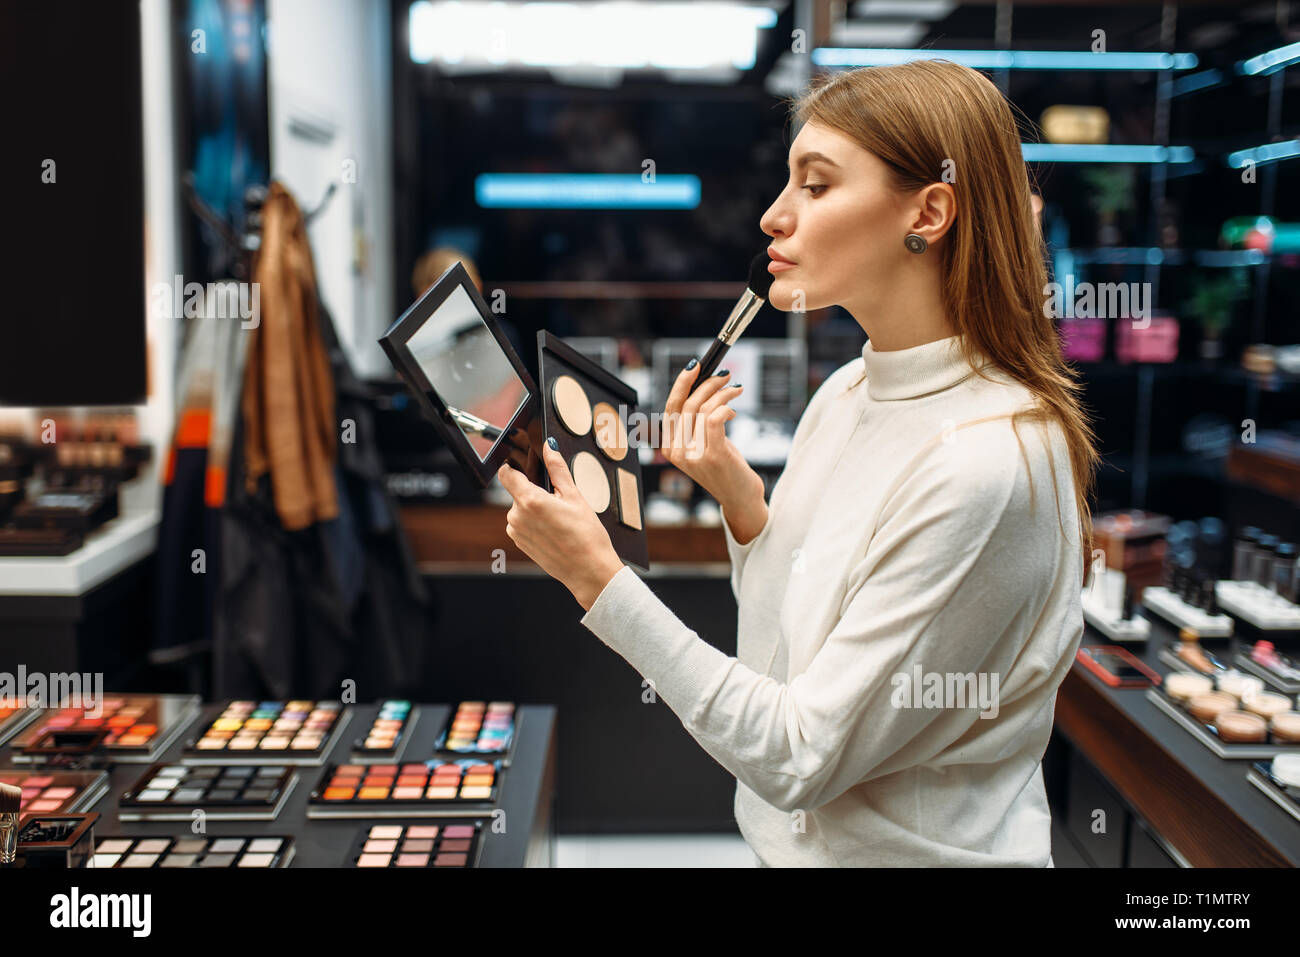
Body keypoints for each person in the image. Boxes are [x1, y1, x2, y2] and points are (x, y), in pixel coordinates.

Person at [495, 59, 1099, 867]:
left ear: (929, 210)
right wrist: (744, 504)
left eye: (815, 187)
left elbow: (800, 753)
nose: (774, 217)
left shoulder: (989, 463)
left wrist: (600, 582)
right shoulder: (849, 390)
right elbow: (794, 643)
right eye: (788, 183)